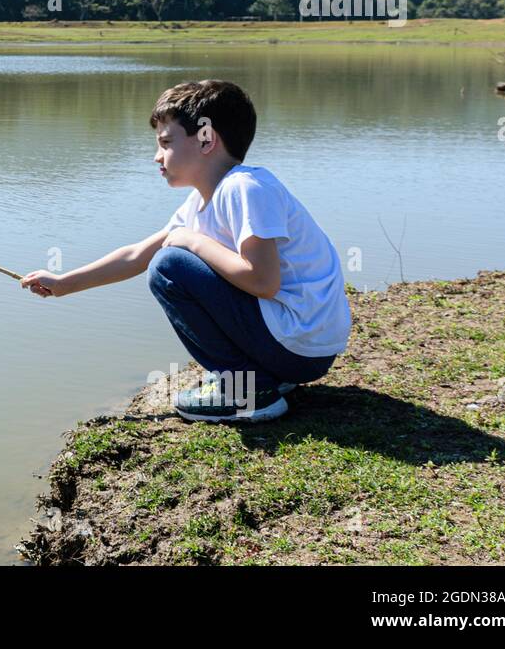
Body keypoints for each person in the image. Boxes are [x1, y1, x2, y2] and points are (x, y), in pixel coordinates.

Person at [20, 79, 350, 422]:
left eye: (166, 142)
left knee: (169, 266)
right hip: (297, 348)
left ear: (207, 139)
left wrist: (193, 241)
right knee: (168, 257)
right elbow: (137, 255)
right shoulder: (202, 201)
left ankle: (249, 392)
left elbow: (263, 281)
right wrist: (65, 283)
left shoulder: (245, 188)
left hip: (299, 346)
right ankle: (259, 378)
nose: (157, 156)